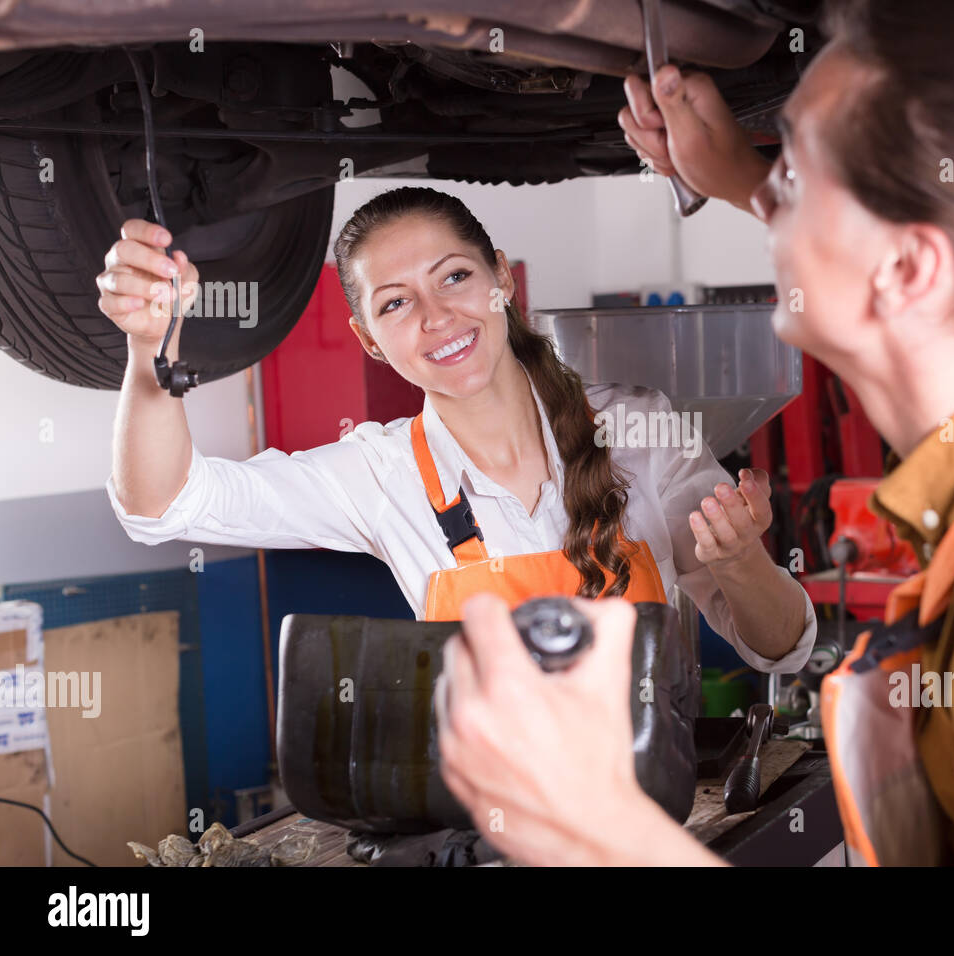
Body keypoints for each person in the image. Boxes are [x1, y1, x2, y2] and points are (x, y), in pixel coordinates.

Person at [435, 0, 954, 866]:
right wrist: (739, 175)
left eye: (793, 174)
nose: (770, 191)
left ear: (910, 268)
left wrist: (603, 836)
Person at [100, 186, 816, 671]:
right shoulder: (379, 475)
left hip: (657, 820)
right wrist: (147, 350)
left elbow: (780, 648)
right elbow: (161, 506)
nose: (436, 319)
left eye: (453, 278)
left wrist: (739, 562)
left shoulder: (639, 429)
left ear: (500, 278)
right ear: (370, 339)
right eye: (395, 304)